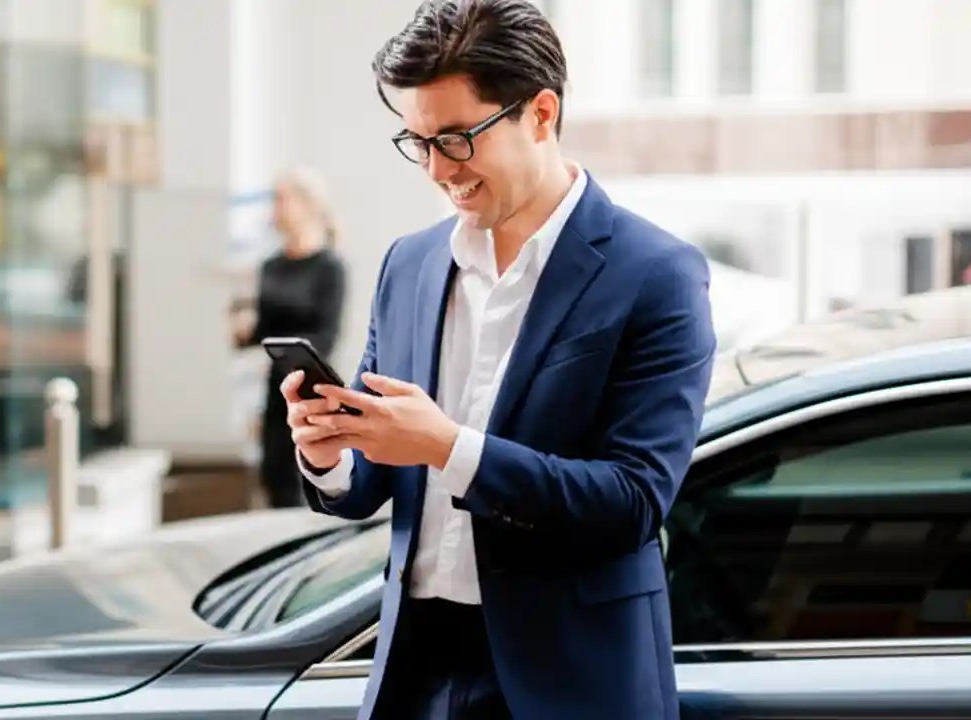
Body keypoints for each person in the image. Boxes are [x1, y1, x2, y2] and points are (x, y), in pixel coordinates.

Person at [279, 1, 717, 718]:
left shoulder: (656, 273)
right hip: (413, 671)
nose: (436, 169)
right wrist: (328, 451)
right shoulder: (410, 263)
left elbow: (632, 502)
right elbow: (370, 482)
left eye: (456, 139)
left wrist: (448, 447)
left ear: (541, 114)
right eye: (417, 142)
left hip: (571, 680)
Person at [234, 167, 347, 508]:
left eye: (282, 199)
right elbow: (262, 330)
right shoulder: (270, 265)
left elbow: (327, 336)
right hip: (274, 388)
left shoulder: (329, 266)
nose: (275, 208)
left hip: (310, 389)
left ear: (308, 205)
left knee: (305, 482)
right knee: (273, 478)